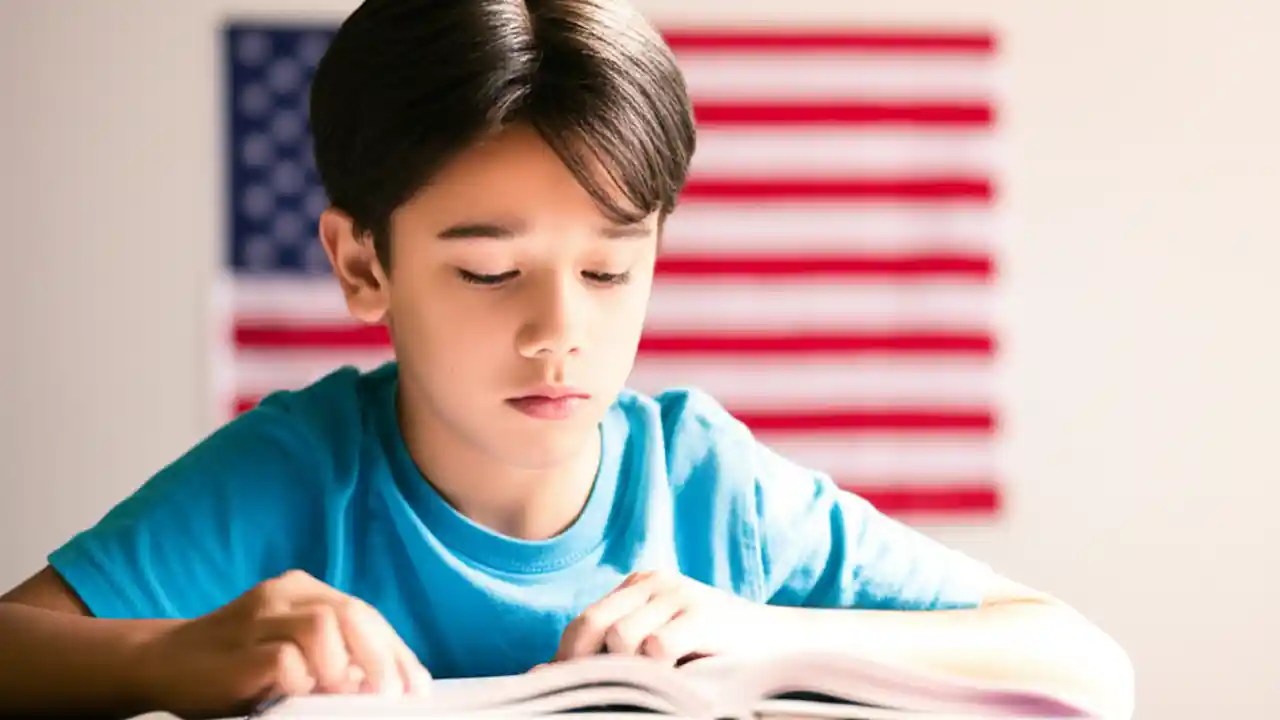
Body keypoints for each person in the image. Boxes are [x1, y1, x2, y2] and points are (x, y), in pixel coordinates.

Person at [0, 0, 1133, 717]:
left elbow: (1085, 668)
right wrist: (169, 658)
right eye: (489, 273)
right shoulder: (293, 475)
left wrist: (765, 630)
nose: (561, 333)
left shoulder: (707, 481)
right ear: (361, 267)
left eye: (608, 272)